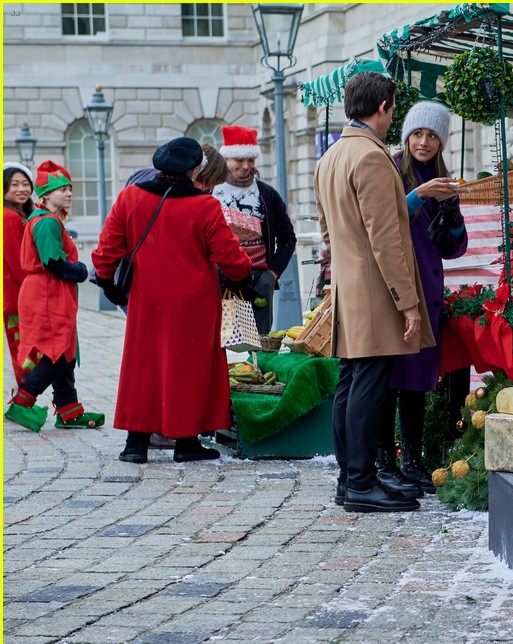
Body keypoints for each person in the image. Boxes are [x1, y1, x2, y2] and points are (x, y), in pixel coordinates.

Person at [314, 71, 435, 513]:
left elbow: (327, 233)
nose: (392, 116)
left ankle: (351, 478)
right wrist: (408, 302)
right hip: (375, 288)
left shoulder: (331, 156)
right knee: (368, 385)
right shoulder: (370, 156)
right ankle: (361, 483)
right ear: (382, 107)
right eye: (392, 109)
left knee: (352, 381)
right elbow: (386, 239)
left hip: (350, 285)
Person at [93, 137, 253, 463]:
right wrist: (245, 274)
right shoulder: (205, 206)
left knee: (143, 366)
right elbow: (232, 260)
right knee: (189, 370)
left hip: (145, 298)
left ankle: (136, 444)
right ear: (194, 171)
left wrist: (110, 285)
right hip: (194, 304)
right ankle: (186, 442)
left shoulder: (130, 197)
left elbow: (106, 250)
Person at [379, 101, 469, 496]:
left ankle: (412, 462)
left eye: (432, 136)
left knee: (417, 379)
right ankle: (385, 460)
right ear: (406, 136)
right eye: (417, 133)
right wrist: (418, 195)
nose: (424, 142)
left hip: (429, 287)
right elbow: (384, 220)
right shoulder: (392, 172)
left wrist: (453, 220)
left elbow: (453, 249)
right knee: (390, 379)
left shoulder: (444, 179)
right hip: (398, 287)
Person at [5, 162, 106, 432]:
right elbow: (53, 262)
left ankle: (68, 410)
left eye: (70, 188)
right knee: (57, 352)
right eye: (62, 189)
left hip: (50, 292)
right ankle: (22, 403)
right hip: (48, 293)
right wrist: (82, 271)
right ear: (47, 195)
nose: (69, 193)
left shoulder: (42, 219)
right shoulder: (47, 222)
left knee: (65, 351)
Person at [212, 125, 296, 334]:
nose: (246, 166)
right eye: (239, 160)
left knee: (259, 342)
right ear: (226, 158)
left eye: (251, 160)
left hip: (259, 280)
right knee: (218, 341)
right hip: (218, 279)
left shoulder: (268, 195)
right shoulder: (210, 192)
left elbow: (287, 238)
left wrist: (272, 274)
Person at [3, 162, 35, 383]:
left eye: (25, 184)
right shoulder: (8, 217)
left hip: (19, 295)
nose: (22, 189)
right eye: (14, 184)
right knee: (25, 356)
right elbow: (18, 262)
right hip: (17, 296)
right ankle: (23, 398)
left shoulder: (22, 214)